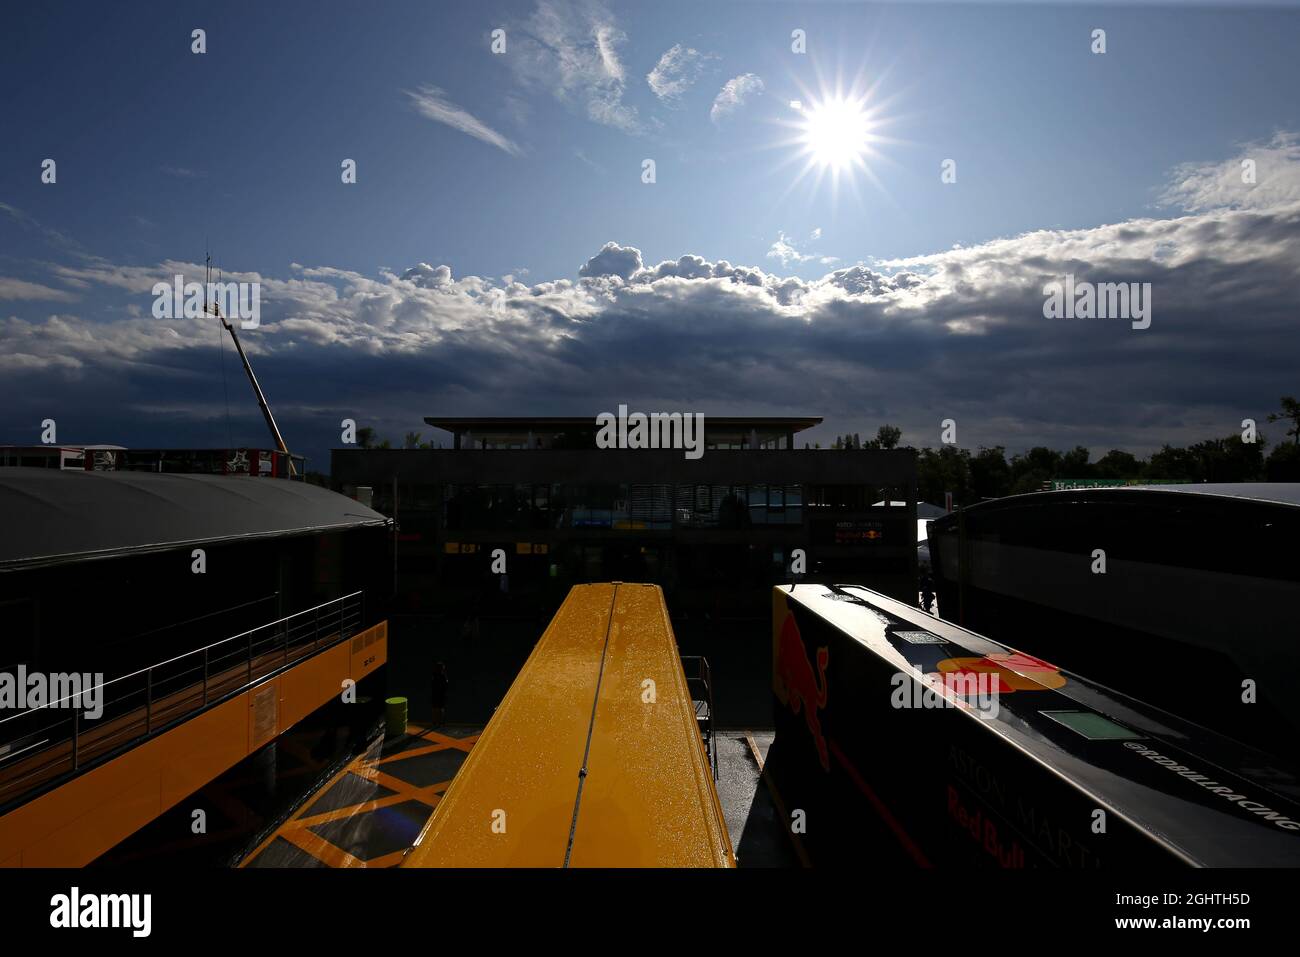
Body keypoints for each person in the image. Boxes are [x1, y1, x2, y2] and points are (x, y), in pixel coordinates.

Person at [431, 661, 448, 726]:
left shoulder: (434, 675)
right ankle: (440, 721)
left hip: (435, 693)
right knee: (440, 708)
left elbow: (432, 684)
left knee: (435, 708)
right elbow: (446, 685)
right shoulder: (443, 676)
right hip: (440, 694)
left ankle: (435, 721)